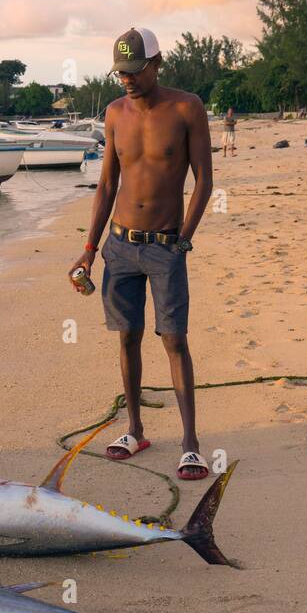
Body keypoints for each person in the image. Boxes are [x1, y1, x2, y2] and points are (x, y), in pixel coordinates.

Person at [67, 27, 213, 481]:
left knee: (174, 339)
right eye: (120, 72)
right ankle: (134, 429)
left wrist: (183, 239)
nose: (126, 79)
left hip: (165, 245)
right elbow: (107, 184)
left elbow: (204, 180)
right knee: (127, 336)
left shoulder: (187, 107)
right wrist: (89, 250)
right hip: (120, 246)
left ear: (156, 63)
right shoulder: (114, 113)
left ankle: (190, 444)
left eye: (134, 70)